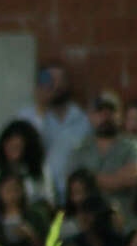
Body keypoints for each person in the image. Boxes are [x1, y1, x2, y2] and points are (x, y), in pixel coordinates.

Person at [68, 89, 137, 228]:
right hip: (88, 224)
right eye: (100, 112)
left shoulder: (133, 145)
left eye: (111, 111)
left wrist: (90, 180)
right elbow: (76, 189)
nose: (105, 116)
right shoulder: (79, 150)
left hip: (125, 222)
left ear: (121, 115)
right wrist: (116, 178)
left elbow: (132, 178)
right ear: (90, 116)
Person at [18, 62, 92, 202]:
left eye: (61, 80)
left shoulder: (82, 120)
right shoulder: (27, 117)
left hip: (73, 196)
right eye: (50, 80)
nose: (55, 86)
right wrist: (41, 110)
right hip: (39, 194)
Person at [0, 119, 54, 213]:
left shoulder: (40, 169)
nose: (13, 150)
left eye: (18, 146)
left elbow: (48, 200)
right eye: (10, 145)